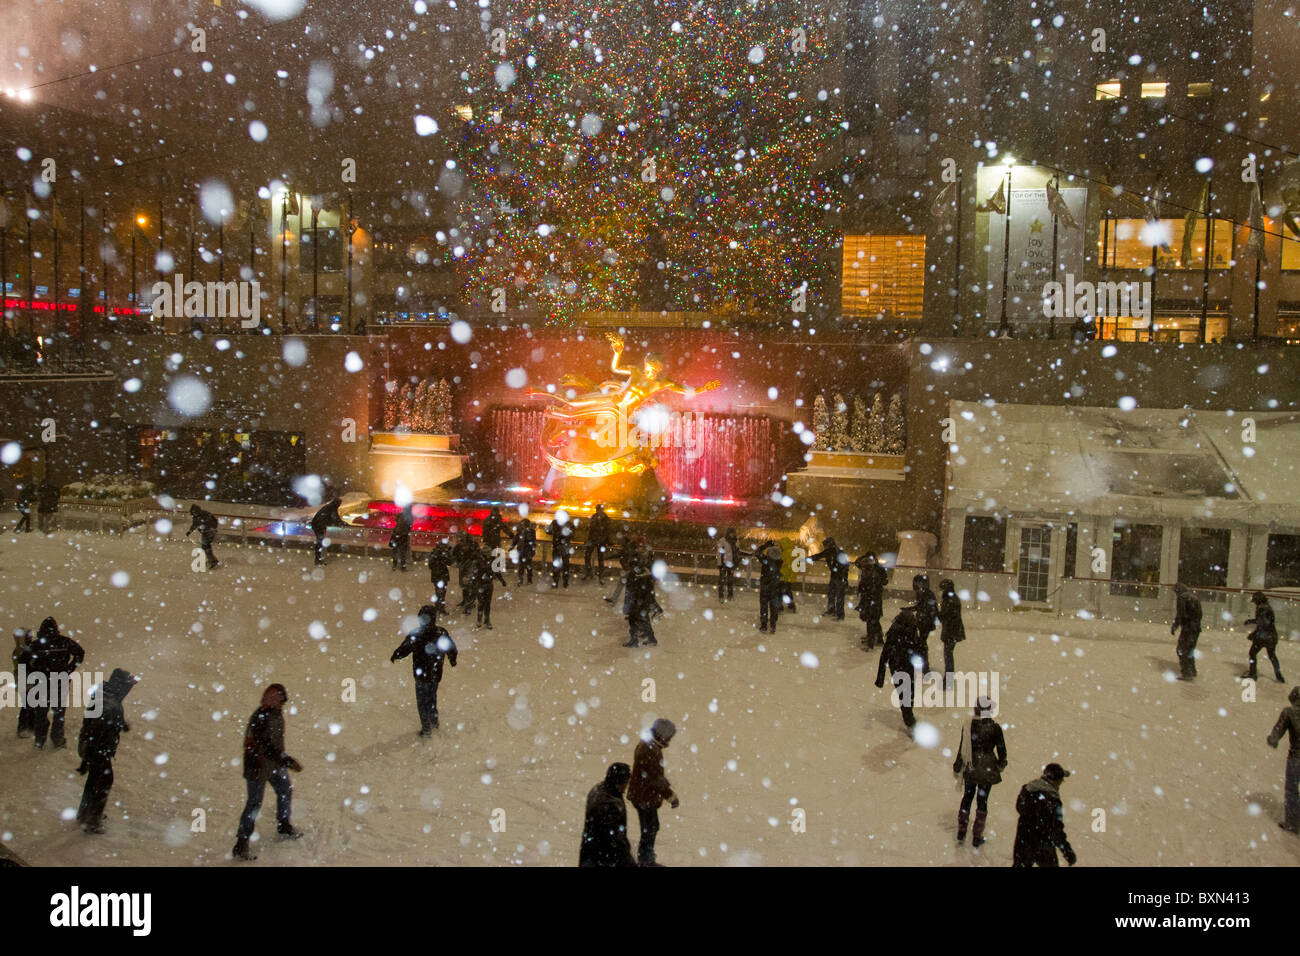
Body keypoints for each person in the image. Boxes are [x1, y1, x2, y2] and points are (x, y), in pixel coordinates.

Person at [232, 684, 304, 861]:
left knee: (285, 790)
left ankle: (284, 825)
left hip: (273, 765)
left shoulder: (275, 714)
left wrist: (282, 760)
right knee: (254, 803)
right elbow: (267, 746)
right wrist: (287, 760)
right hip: (257, 766)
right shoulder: (261, 718)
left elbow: (274, 744)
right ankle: (241, 843)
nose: (281, 706)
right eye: (279, 701)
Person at [75, 669, 138, 835]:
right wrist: (95, 752)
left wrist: (120, 724)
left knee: (95, 780)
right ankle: (91, 820)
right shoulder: (110, 705)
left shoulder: (105, 694)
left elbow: (96, 720)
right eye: (128, 686)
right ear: (121, 686)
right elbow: (98, 725)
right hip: (99, 749)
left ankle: (85, 813)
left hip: (93, 746)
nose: (129, 690)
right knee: (104, 781)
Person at [390, 604, 458, 736]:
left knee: (422, 701)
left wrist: (396, 655)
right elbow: (451, 648)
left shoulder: (416, 634)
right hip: (435, 672)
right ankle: (434, 720)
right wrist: (452, 659)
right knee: (432, 697)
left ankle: (426, 728)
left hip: (421, 673)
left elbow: (405, 648)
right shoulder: (441, 632)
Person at [20, 616, 85, 750]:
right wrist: (70, 668)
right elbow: (80, 652)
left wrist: (33, 672)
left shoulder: (36, 644)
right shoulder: (64, 642)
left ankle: (40, 740)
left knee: (41, 713)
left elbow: (23, 661)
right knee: (59, 713)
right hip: (61, 681)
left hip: (41, 683)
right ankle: (57, 739)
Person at [952, 696, 1007, 847]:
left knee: (967, 797)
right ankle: (977, 835)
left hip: (971, 767)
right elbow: (1002, 752)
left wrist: (958, 764)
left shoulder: (969, 726)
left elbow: (962, 747)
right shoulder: (995, 728)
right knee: (982, 801)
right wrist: (1001, 764)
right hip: (988, 769)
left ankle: (961, 831)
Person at [628, 718, 680, 866]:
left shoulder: (647, 745)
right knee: (650, 827)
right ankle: (646, 859)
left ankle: (646, 857)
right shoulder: (651, 750)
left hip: (641, 794)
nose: (670, 740)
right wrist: (671, 796)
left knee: (650, 827)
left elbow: (651, 774)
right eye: (669, 737)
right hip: (644, 796)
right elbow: (654, 779)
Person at [1012, 763, 1077, 867]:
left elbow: (1019, 808)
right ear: (1056, 781)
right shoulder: (1053, 801)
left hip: (1023, 841)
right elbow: (1056, 830)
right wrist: (1067, 851)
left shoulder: (1027, 790)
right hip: (1043, 845)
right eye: (1061, 780)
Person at [579, 762, 638, 867]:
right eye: (626, 782)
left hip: (590, 853)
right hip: (604, 858)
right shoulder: (610, 804)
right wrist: (629, 862)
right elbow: (615, 841)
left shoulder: (597, 789)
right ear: (620, 782)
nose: (627, 786)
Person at [875, 607, 923, 731]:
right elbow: (917, 649)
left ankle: (909, 717)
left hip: (897, 666)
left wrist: (880, 676)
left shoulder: (897, 631)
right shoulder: (908, 631)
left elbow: (885, 653)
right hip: (905, 666)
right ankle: (910, 721)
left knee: (904, 693)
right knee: (908, 693)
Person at [1267, 687, 1300, 834]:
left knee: (1292, 790)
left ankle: (1292, 824)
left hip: (1296, 758)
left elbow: (1277, 731)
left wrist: (1272, 740)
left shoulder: (1289, 712)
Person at [1245, 591, 1284, 682]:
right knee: (1272, 656)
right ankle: (1279, 676)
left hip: (1263, 637)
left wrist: (1253, 632)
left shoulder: (1261, 608)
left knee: (1252, 653)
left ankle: (1253, 673)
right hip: (1271, 636)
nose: (1254, 602)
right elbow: (1265, 622)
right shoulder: (1267, 607)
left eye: (1254, 600)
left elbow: (1262, 623)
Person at [624, 557, 662, 648]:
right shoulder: (646, 574)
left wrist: (629, 604)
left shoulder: (633, 576)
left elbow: (630, 591)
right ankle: (650, 638)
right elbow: (649, 591)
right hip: (643, 601)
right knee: (644, 619)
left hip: (637, 602)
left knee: (633, 620)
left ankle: (634, 640)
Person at [809, 537, 849, 619]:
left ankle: (838, 614)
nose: (824, 547)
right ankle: (835, 612)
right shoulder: (837, 551)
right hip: (838, 576)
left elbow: (818, 556)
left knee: (836, 595)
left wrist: (806, 559)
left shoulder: (831, 551)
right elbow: (846, 565)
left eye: (825, 545)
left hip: (838, 576)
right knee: (835, 594)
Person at [855, 551, 886, 650]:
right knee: (874, 620)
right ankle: (878, 639)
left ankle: (871, 641)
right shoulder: (871, 571)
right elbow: (857, 562)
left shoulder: (873, 574)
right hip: (873, 600)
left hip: (871, 600)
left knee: (871, 620)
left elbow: (868, 588)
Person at [1171, 583, 1202, 681]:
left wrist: (1175, 625)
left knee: (1182, 649)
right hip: (1196, 628)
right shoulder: (1194, 597)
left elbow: (1181, 614)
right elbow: (1200, 614)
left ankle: (1187, 672)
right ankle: (1192, 670)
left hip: (1188, 628)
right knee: (1190, 649)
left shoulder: (1182, 598)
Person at [938, 578, 966, 685]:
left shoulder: (950, 600)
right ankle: (948, 678)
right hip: (953, 630)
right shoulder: (952, 598)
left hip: (951, 631)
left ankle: (948, 680)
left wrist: (936, 613)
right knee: (948, 655)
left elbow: (945, 615)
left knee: (948, 655)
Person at [757, 539, 783, 634]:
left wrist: (766, 545)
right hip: (775, 586)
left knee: (764, 606)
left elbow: (757, 552)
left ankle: (764, 625)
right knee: (774, 606)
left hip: (765, 586)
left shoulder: (766, 561)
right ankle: (773, 624)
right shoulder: (780, 562)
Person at [11, 629, 33, 738]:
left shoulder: (21, 649)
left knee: (28, 704)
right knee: (28, 705)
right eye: (28, 636)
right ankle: (24, 727)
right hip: (25, 681)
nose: (30, 638)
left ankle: (27, 726)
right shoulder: (21, 650)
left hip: (26, 681)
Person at [605, 527, 635, 607]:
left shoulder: (627, 549)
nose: (621, 543)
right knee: (622, 585)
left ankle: (618, 600)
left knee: (624, 586)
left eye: (622, 542)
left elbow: (619, 555)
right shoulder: (629, 548)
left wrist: (608, 557)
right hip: (627, 569)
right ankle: (615, 599)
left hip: (627, 569)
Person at [309, 497, 343, 566]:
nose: (339, 505)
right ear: (337, 503)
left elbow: (330, 517)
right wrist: (342, 523)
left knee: (320, 542)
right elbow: (335, 517)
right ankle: (318, 559)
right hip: (319, 526)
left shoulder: (328, 506)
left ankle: (318, 559)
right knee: (320, 543)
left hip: (317, 524)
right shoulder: (332, 507)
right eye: (339, 504)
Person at [186, 503, 220, 570]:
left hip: (208, 533)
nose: (193, 515)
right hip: (206, 532)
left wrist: (211, 529)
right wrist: (190, 531)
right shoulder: (199, 516)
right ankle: (212, 560)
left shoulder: (205, 515)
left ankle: (213, 561)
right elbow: (194, 525)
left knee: (205, 546)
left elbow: (213, 522)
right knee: (206, 546)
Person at [583, 504, 612, 582]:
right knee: (589, 556)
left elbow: (606, 530)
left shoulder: (603, 518)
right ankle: (590, 573)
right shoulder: (598, 517)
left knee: (599, 558)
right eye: (598, 510)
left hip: (599, 540)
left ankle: (598, 575)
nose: (599, 511)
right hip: (595, 539)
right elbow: (592, 529)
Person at [546, 513, 574, 588]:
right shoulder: (569, 524)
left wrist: (556, 534)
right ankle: (565, 582)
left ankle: (556, 581)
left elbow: (548, 530)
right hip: (565, 547)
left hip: (557, 546)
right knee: (566, 565)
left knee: (556, 565)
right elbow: (572, 535)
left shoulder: (555, 522)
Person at [472, 546, 497, 630]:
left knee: (488, 603)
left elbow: (495, 571)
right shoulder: (478, 561)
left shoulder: (493, 560)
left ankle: (487, 620)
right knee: (481, 603)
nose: (488, 555)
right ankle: (479, 619)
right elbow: (475, 573)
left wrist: (498, 578)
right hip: (480, 584)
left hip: (488, 584)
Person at [912, 574, 939, 648]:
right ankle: (922, 655)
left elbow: (926, 607)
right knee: (922, 640)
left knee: (922, 640)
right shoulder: (922, 593)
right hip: (924, 620)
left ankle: (922, 655)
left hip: (926, 620)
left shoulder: (927, 594)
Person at [453, 530, 478, 610]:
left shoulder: (471, 545)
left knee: (468, 584)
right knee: (465, 584)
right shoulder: (463, 545)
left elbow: (476, 555)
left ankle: (469, 602)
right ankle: (466, 601)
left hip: (469, 566)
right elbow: (455, 553)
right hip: (465, 566)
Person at [426, 539, 452, 613]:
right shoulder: (443, 554)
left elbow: (430, 565)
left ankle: (438, 606)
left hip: (436, 575)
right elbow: (450, 562)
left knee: (438, 592)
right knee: (442, 593)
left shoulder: (433, 553)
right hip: (442, 575)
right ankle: (440, 608)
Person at [717, 527, 741, 603]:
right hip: (724, 563)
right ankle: (721, 595)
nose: (732, 534)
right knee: (721, 580)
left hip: (731, 563)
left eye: (733, 533)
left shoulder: (736, 541)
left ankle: (730, 595)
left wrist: (736, 562)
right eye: (731, 533)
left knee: (730, 580)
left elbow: (737, 552)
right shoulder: (722, 540)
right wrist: (719, 563)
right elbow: (719, 552)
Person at [512, 517, 537, 585]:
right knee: (523, 566)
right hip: (522, 551)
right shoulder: (521, 531)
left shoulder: (530, 531)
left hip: (525, 551)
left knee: (526, 566)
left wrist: (513, 545)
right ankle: (523, 579)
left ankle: (527, 580)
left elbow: (532, 541)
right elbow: (516, 539)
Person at [389, 503, 413, 571]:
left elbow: (397, 522)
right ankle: (402, 566)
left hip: (396, 535)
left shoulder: (400, 515)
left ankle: (395, 565)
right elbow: (409, 526)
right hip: (403, 536)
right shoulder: (409, 517)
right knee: (403, 552)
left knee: (395, 551)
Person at [778, 536, 798, 613]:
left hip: (784, 576)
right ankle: (791, 605)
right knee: (787, 591)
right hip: (789, 576)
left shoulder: (786, 553)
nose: (780, 546)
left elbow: (785, 565)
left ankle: (780, 607)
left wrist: (781, 573)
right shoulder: (792, 551)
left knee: (780, 591)